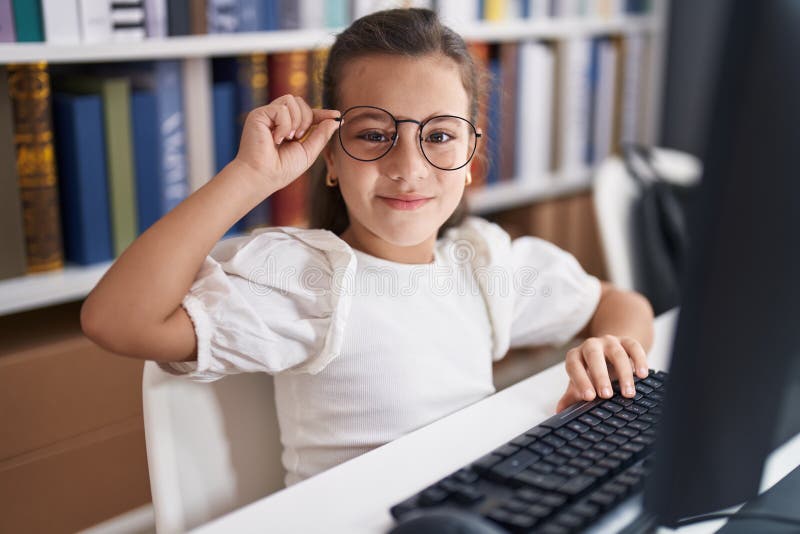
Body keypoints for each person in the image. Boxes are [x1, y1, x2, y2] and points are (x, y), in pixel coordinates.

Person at [81, 8, 654, 486]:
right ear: (330, 156)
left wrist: (614, 348)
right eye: (375, 135)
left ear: (471, 158)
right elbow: (116, 320)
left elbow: (621, 303)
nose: (408, 168)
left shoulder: (483, 264)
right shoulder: (308, 281)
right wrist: (251, 177)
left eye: (438, 136)